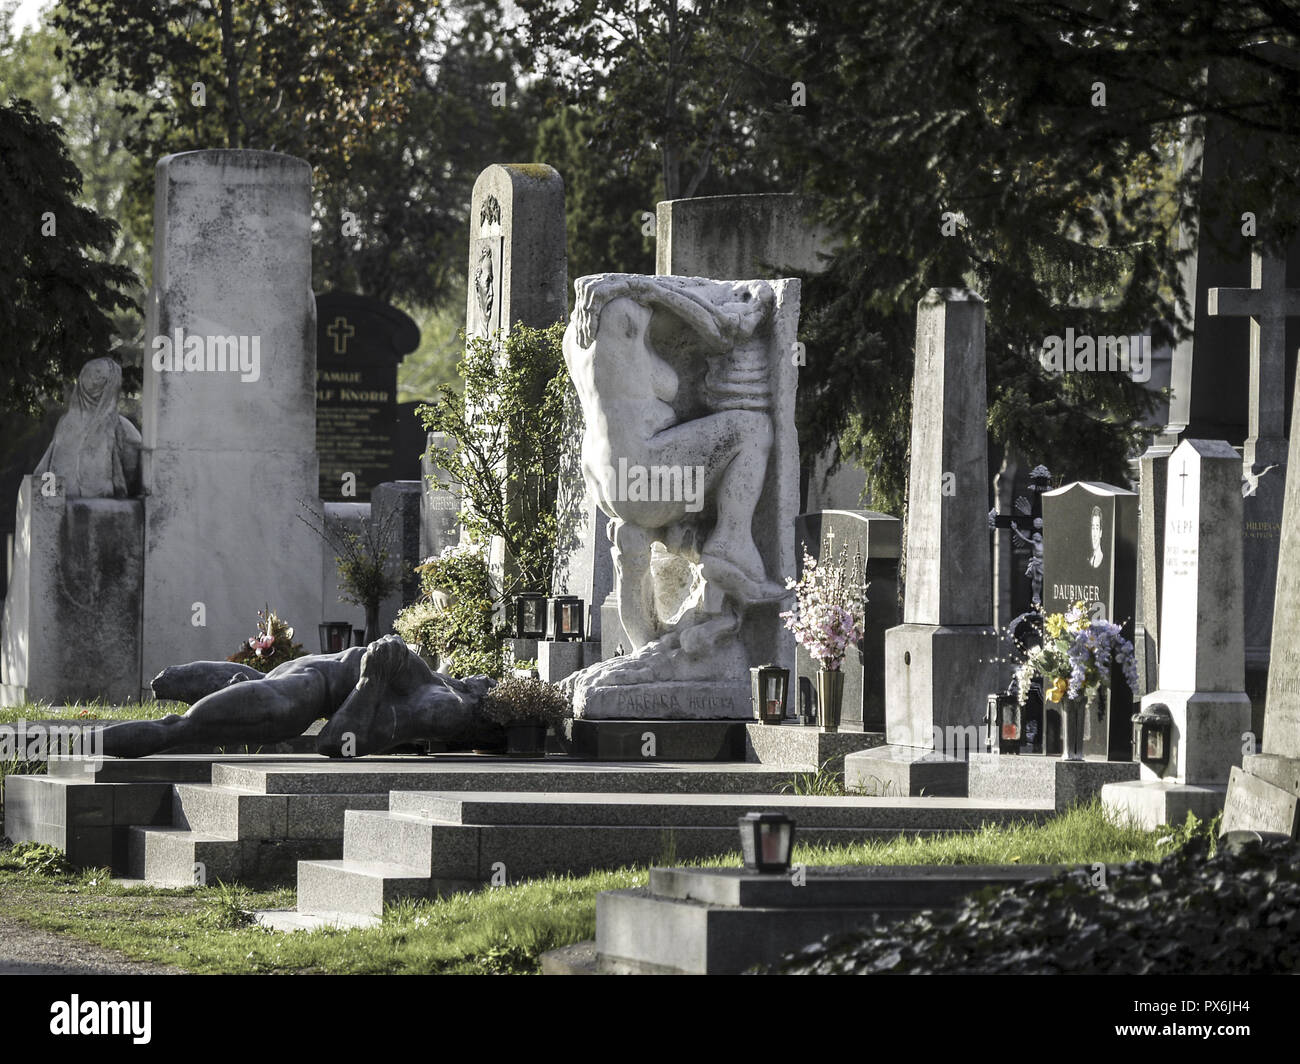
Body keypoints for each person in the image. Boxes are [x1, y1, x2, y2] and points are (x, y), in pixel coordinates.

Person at [99, 636, 496, 758]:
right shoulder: (446, 685)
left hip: (296, 696)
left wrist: (372, 677)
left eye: (491, 685)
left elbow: (336, 744)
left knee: (179, 729)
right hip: (300, 674)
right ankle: (234, 687)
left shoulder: (446, 707)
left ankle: (86, 743)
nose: (486, 678)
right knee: (172, 685)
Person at [35, 358, 141, 498]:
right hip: (60, 505)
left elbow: (133, 472)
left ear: (109, 383)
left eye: (99, 374)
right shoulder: (65, 423)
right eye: (88, 372)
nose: (92, 378)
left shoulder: (121, 427)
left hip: (103, 507)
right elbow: (48, 467)